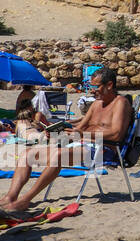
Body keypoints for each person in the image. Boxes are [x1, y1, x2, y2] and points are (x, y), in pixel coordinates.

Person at [2, 70, 131, 212]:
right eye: (91, 87)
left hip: (103, 150)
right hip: (80, 145)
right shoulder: (95, 105)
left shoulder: (120, 103)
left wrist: (81, 134)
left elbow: (116, 135)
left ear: (109, 85)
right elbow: (78, 129)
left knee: (58, 155)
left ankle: (25, 200)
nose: (92, 91)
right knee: (27, 154)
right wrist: (58, 133)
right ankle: (10, 197)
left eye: (95, 87)